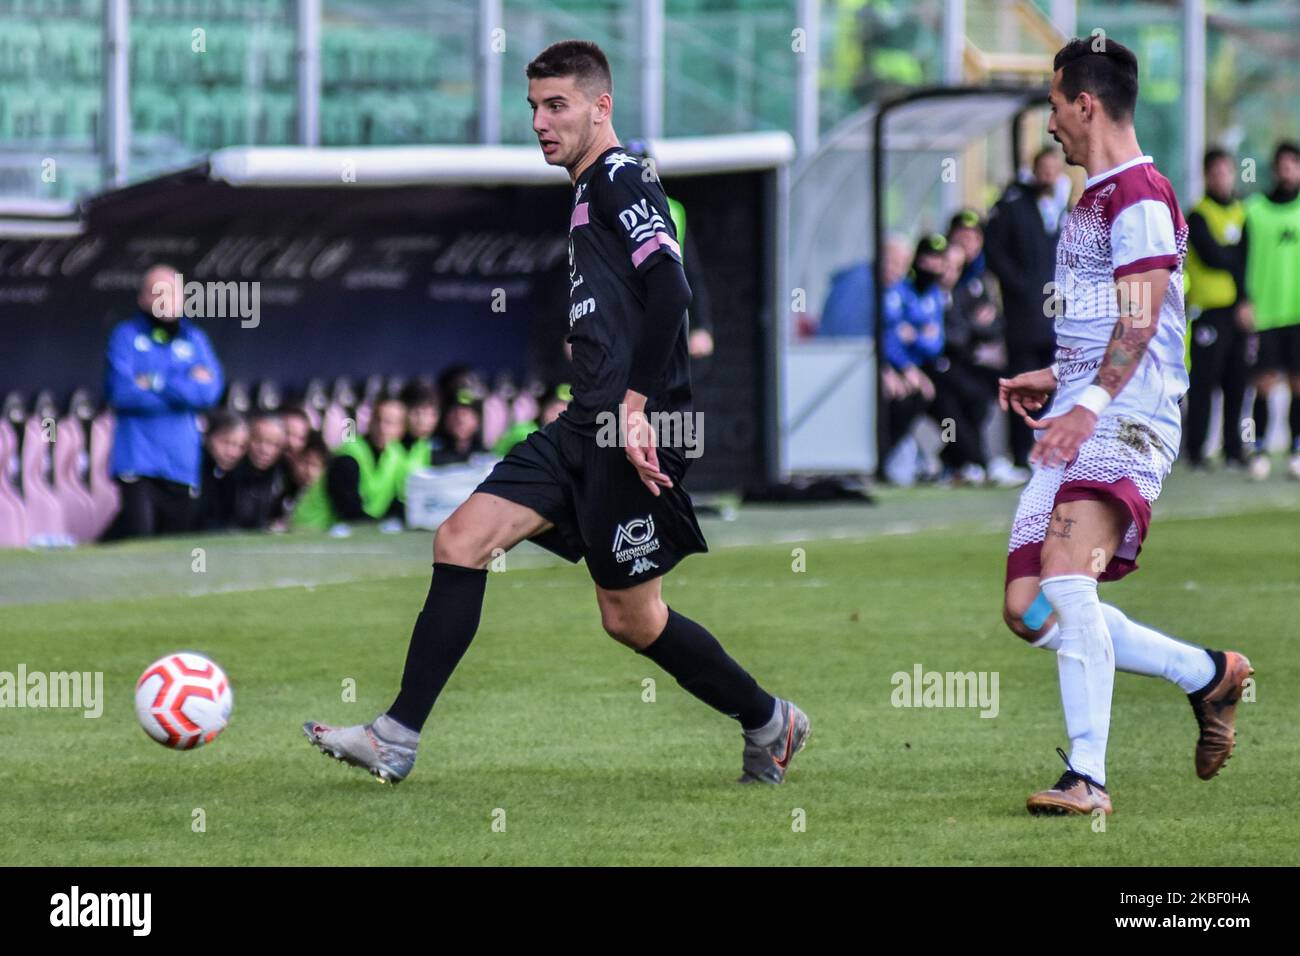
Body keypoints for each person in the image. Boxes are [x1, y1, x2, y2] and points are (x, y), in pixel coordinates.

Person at [305, 39, 808, 785]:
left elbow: (672, 290)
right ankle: (395, 738)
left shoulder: (622, 176)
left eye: (557, 105)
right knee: (460, 538)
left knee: (632, 619)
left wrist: (634, 406)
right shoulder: (587, 189)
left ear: (601, 107)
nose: (540, 121)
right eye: (534, 106)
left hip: (635, 429)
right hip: (584, 424)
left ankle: (769, 721)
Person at [998, 37, 1251, 816]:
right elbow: (1118, 319)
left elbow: (1140, 318)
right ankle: (1207, 674)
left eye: (1053, 107)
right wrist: (1058, 378)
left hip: (1127, 417)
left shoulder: (1137, 192)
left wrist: (1088, 404)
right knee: (1029, 607)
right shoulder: (1095, 197)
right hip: (1090, 405)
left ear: (1086, 104)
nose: (1049, 125)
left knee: (1066, 574)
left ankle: (1088, 778)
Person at [102, 264, 224, 540]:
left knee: (173, 549)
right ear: (142, 299)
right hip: (138, 461)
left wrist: (154, 382)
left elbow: (208, 393)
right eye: (156, 293)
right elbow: (121, 393)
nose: (164, 300)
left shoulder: (195, 339)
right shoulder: (126, 336)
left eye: (171, 293)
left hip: (181, 464)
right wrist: (184, 382)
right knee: (139, 541)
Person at [985, 147, 1068, 469]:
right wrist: (1020, 286)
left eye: (1054, 168)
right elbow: (995, 251)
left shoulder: (1064, 208)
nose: (1049, 175)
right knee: (1023, 381)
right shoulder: (1012, 207)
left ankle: (1049, 449)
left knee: (1056, 382)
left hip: (1055, 316)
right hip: (1023, 317)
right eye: (1043, 168)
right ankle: (1021, 453)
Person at [1237, 141, 1300, 480]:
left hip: (1297, 313)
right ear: (1275, 169)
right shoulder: (1255, 210)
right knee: (1263, 384)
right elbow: (1240, 259)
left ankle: (1296, 451)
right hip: (1264, 314)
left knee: (1297, 385)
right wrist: (1243, 300)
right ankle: (1258, 448)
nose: (1288, 169)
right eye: (1283, 164)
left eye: (1293, 163)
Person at [1183, 148, 1248, 469]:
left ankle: (1233, 449)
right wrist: (1233, 253)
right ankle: (1196, 450)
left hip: (1235, 310)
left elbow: (1247, 259)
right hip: (1207, 311)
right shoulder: (1198, 215)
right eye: (1216, 172)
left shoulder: (1241, 212)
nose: (1222, 178)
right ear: (1207, 176)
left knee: (1236, 381)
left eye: (1226, 171)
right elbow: (1213, 257)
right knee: (1204, 382)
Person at [322, 396, 408, 525]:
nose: (382, 428)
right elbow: (348, 509)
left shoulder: (397, 455)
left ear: (401, 429)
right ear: (370, 421)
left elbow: (398, 500)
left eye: (389, 423)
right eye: (377, 420)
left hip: (355, 528)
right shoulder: (349, 453)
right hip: (315, 526)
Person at [229, 413, 288, 530]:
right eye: (258, 440)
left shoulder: (282, 477)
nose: (264, 450)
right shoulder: (229, 473)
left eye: (273, 444)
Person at [195, 409, 247, 531]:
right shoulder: (197, 470)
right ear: (208, 438)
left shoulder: (237, 474)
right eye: (225, 442)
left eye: (240, 446)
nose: (232, 453)